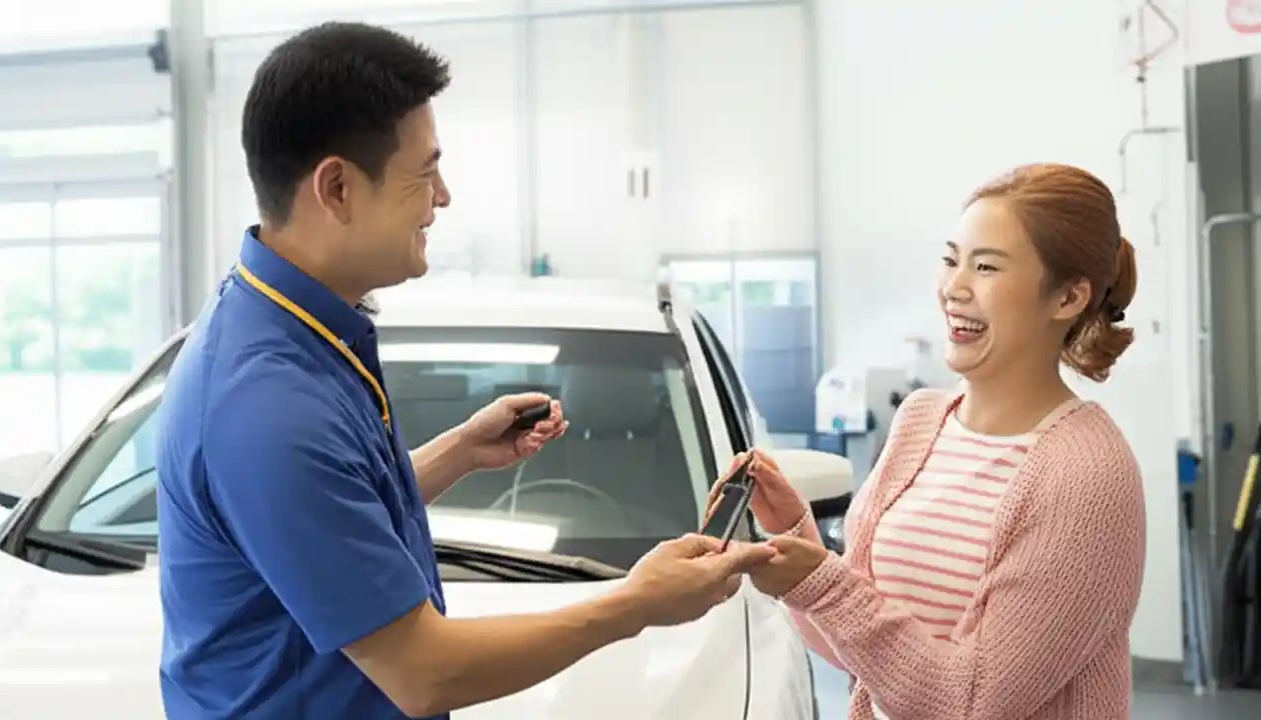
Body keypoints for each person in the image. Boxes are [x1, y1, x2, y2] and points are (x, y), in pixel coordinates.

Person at [154, 21, 774, 720]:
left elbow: (332, 514)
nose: (442, 197)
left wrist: (459, 452)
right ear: (337, 189)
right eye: (424, 172)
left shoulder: (292, 328)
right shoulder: (267, 405)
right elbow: (425, 672)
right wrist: (635, 603)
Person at [715, 163, 1147, 719]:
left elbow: (973, 703)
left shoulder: (1088, 476)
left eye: (985, 267)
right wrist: (794, 539)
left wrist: (821, 582)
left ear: (1067, 298)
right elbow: (861, 650)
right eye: (950, 260)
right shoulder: (922, 421)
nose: (953, 288)